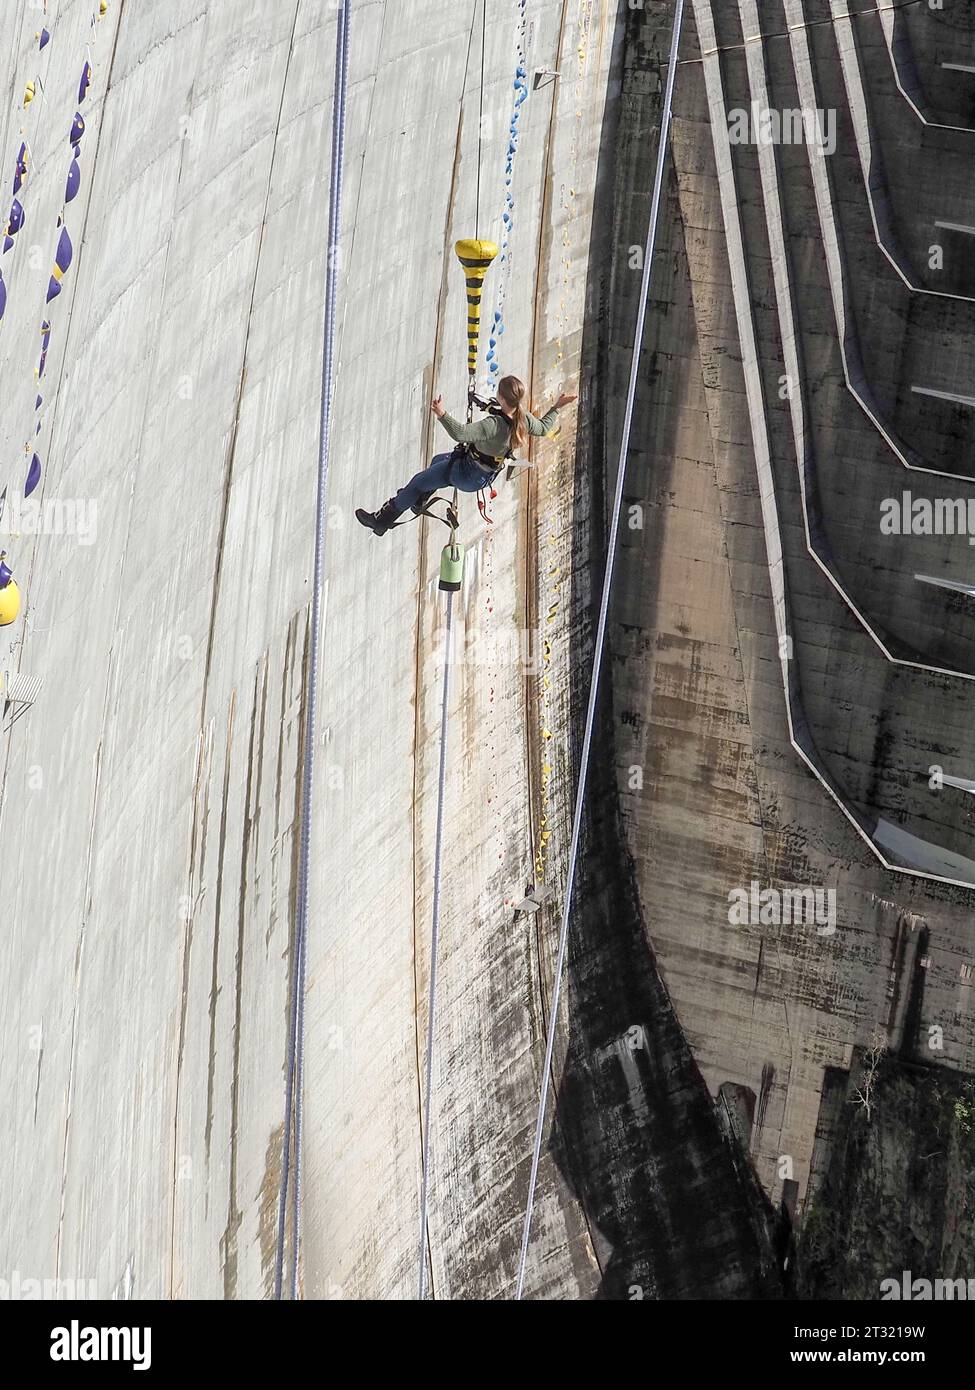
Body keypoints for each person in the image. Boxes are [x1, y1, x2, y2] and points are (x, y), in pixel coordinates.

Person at [355, 374, 578, 535]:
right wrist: (556, 406)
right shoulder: (522, 417)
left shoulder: (494, 425)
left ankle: (381, 522)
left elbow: (460, 433)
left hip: (466, 473)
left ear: (501, 397)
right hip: (482, 474)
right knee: (436, 462)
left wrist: (442, 414)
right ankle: (418, 500)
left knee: (416, 483)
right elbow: (543, 428)